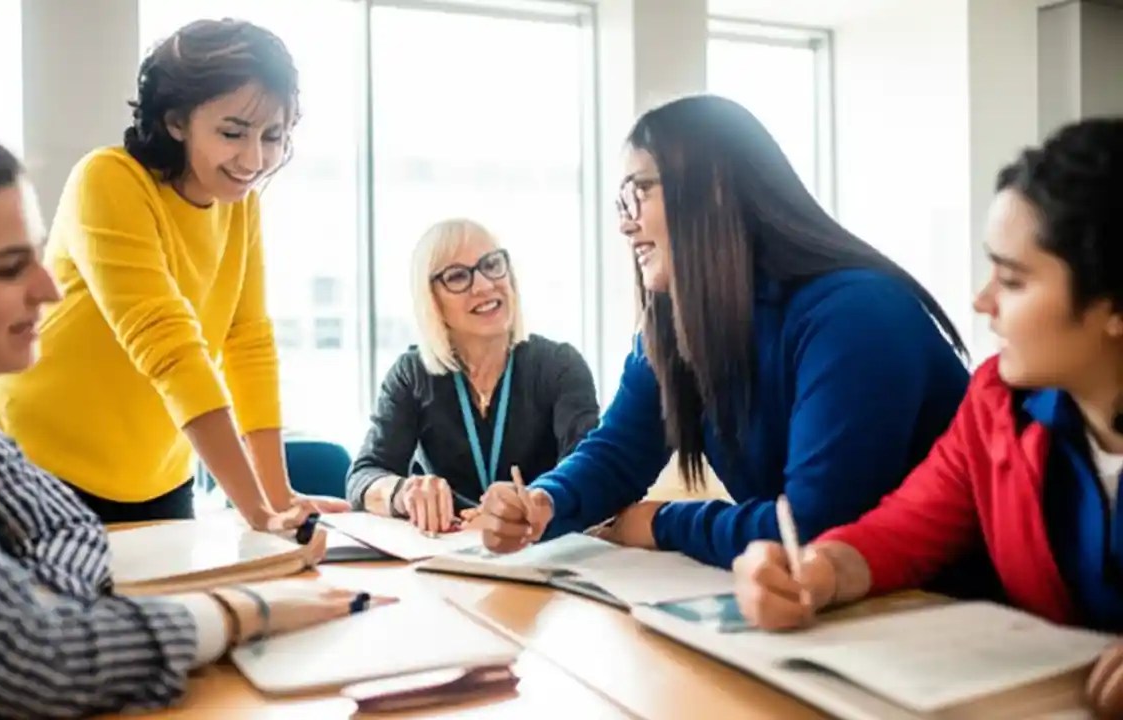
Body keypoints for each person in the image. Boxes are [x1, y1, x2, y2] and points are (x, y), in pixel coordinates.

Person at [0, 105, 388, 717]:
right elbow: (22, 665)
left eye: (37, 256)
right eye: (7, 269)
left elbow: (70, 529)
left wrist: (36, 605)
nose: (49, 289)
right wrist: (237, 612)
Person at [730, 118, 1123, 719]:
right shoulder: (997, 403)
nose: (982, 301)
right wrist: (818, 571)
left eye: (1012, 280)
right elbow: (904, 530)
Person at [476, 94, 971, 569]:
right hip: (844, 603)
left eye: (638, 192)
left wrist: (662, 522)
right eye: (621, 202)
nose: (626, 225)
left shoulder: (855, 314)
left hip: (954, 605)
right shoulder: (677, 324)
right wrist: (544, 502)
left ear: (712, 189)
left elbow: (812, 529)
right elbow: (619, 453)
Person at [0, 18, 347, 526]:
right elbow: (169, 348)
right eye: (232, 133)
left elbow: (248, 341)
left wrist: (277, 497)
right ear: (176, 120)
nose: (254, 159)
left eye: (272, 136)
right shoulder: (109, 180)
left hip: (158, 477)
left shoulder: (238, 205)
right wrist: (258, 512)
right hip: (40, 465)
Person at [346, 218, 599, 533]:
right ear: (431, 299)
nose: (483, 285)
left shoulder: (559, 365)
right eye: (457, 276)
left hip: (538, 542)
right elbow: (364, 475)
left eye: (491, 265)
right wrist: (402, 493)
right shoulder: (413, 374)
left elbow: (589, 468)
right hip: (446, 547)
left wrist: (533, 504)